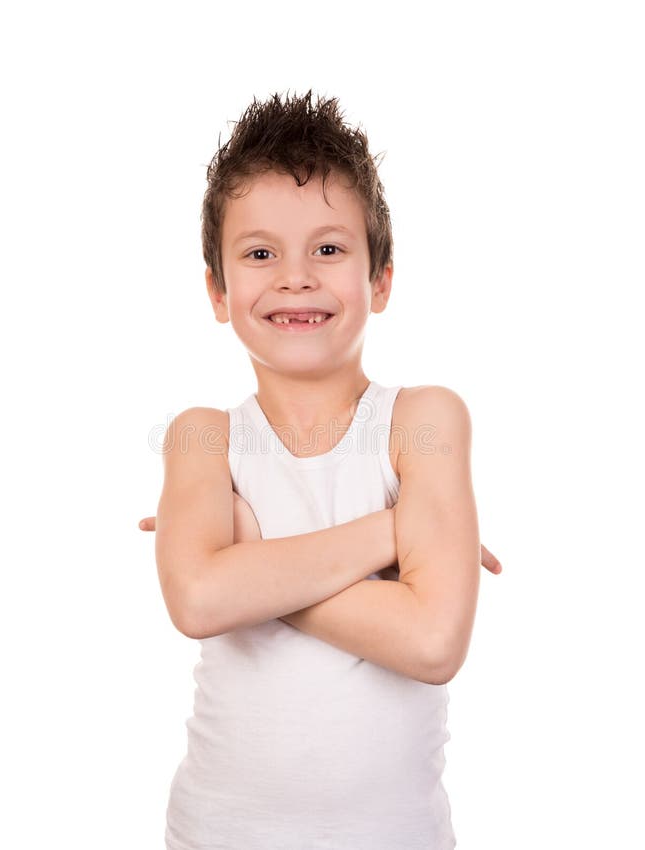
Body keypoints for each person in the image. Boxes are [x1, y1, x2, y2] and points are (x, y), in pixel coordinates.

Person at [138, 89, 502, 849]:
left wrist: (248, 563)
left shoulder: (424, 422)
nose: (296, 277)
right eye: (260, 253)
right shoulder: (201, 436)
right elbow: (200, 601)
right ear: (217, 290)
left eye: (329, 249)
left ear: (381, 281)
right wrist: (396, 531)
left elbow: (434, 643)